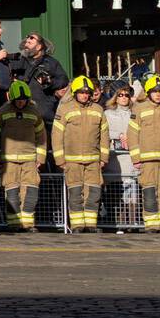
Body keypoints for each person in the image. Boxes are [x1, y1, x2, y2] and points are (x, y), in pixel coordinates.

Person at [51, 76, 109, 232]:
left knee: (94, 193)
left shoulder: (98, 110)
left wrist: (103, 158)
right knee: (76, 193)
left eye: (87, 92)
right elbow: (56, 135)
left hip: (93, 161)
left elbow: (104, 135)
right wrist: (60, 159)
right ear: (75, 92)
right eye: (82, 92)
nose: (85, 95)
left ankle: (91, 224)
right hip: (72, 161)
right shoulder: (64, 109)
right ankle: (77, 225)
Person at [0, 80, 47, 232]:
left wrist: (40, 158)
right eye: (18, 100)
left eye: (23, 100)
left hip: (30, 160)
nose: (21, 103)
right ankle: (14, 224)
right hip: (9, 161)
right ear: (11, 98)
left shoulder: (34, 112)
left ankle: (28, 224)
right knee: (12, 192)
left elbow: (41, 136)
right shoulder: (1, 112)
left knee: (31, 192)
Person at [127, 74, 160, 232]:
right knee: (150, 191)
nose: (157, 94)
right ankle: (151, 225)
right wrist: (136, 158)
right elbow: (132, 135)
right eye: (154, 91)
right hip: (147, 160)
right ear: (148, 92)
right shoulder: (139, 109)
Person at [11, 32, 69, 133]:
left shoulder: (51, 62)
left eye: (30, 41)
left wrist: (50, 82)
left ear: (39, 46)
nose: (26, 44)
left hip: (44, 112)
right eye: (26, 42)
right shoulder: (18, 61)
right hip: (23, 111)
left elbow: (63, 80)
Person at [103, 84, 139, 228]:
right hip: (115, 160)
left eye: (127, 95)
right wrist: (118, 135)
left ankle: (131, 224)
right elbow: (103, 132)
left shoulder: (135, 113)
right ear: (115, 97)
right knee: (114, 194)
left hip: (131, 159)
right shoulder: (108, 114)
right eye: (120, 95)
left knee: (131, 196)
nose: (124, 98)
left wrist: (130, 137)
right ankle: (114, 224)